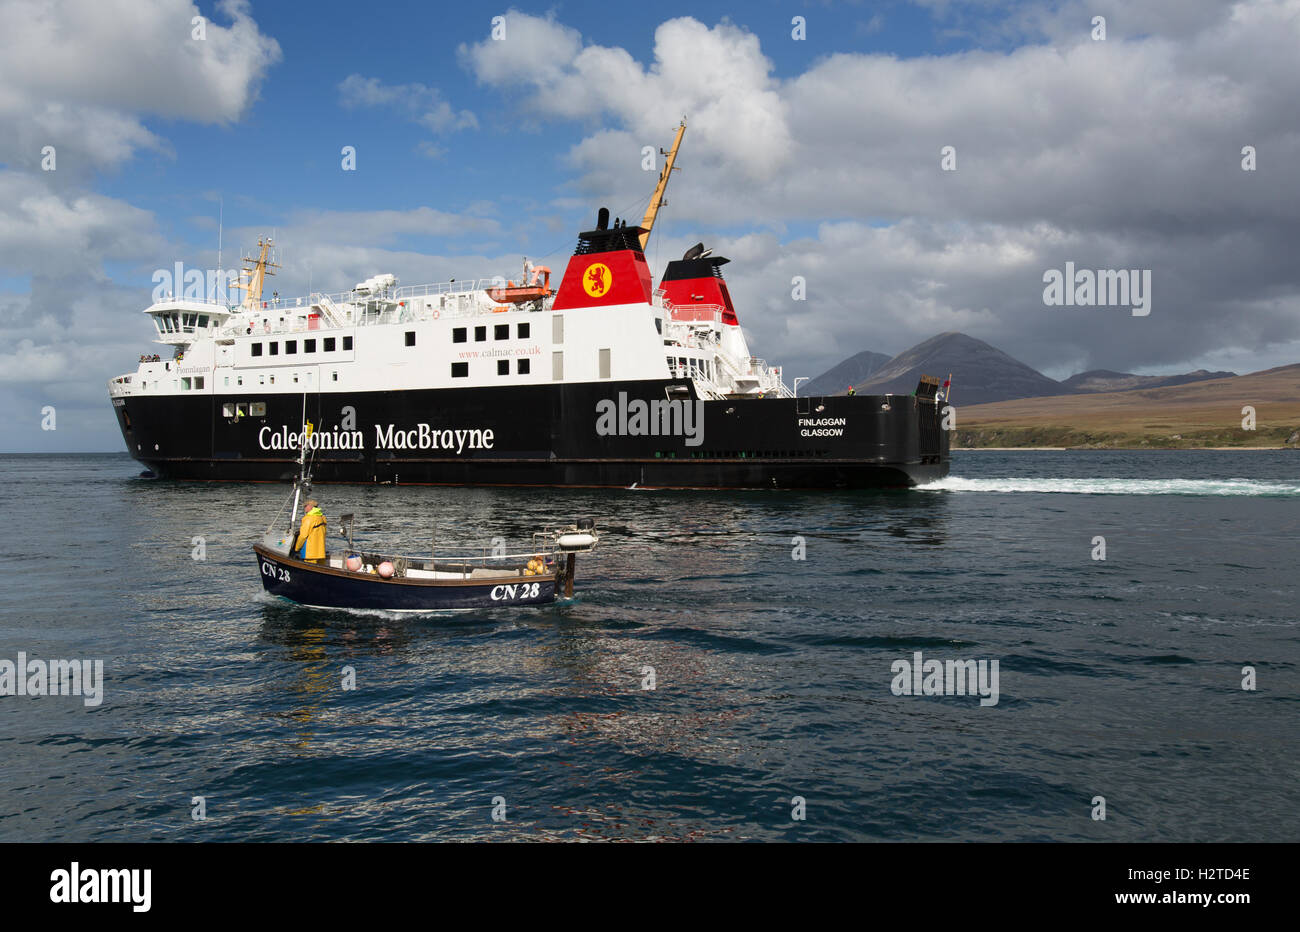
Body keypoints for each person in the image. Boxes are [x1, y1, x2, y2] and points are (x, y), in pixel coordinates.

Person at [293, 499, 327, 564]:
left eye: (305, 506)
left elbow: (303, 536)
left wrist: (297, 548)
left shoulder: (308, 519)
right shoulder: (322, 518)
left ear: (310, 506)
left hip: (310, 554)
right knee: (320, 569)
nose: (304, 508)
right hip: (321, 552)